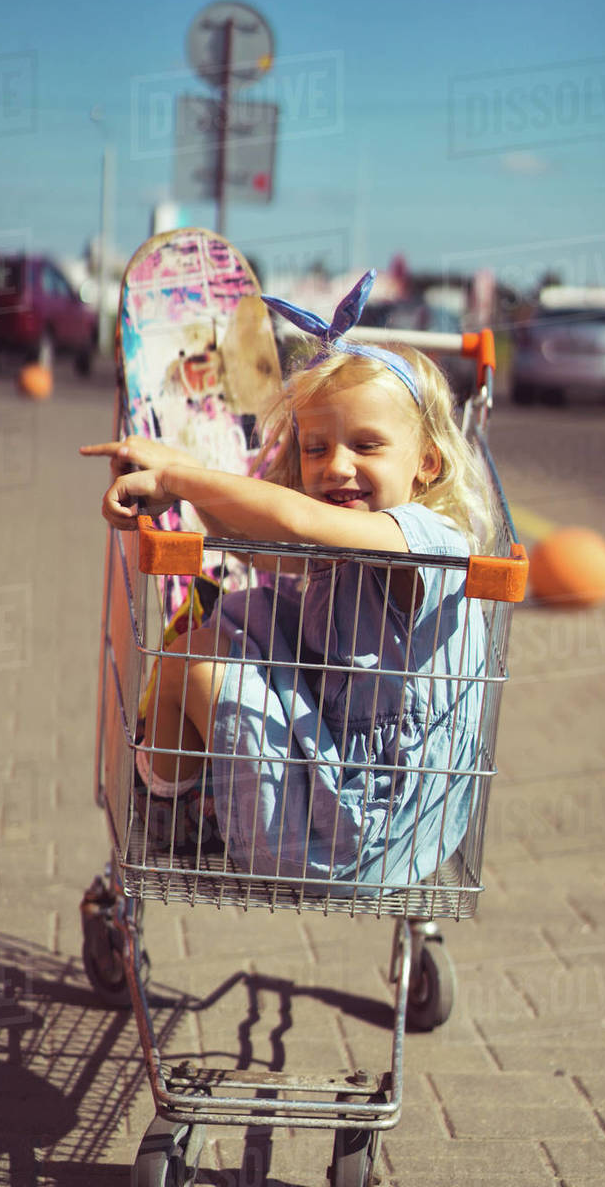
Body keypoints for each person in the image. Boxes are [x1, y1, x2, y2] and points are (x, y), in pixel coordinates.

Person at [81, 270, 496, 888]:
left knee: (186, 663)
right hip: (378, 814)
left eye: (366, 445)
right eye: (318, 447)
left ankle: (176, 815)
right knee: (241, 618)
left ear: (426, 466)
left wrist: (181, 483)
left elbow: (297, 521)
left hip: (352, 833)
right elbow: (260, 543)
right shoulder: (352, 539)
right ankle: (198, 796)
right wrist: (180, 467)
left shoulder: (429, 539)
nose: (338, 467)